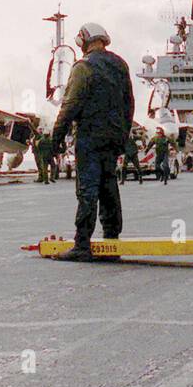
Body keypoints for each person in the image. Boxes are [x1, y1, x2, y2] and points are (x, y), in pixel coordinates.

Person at [50, 23, 134, 262]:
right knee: (109, 188)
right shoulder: (120, 65)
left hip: (90, 137)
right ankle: (111, 241)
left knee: (87, 190)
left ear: (84, 41)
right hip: (113, 137)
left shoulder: (83, 67)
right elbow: (129, 104)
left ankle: (82, 244)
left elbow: (70, 105)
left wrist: (57, 138)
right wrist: (123, 136)